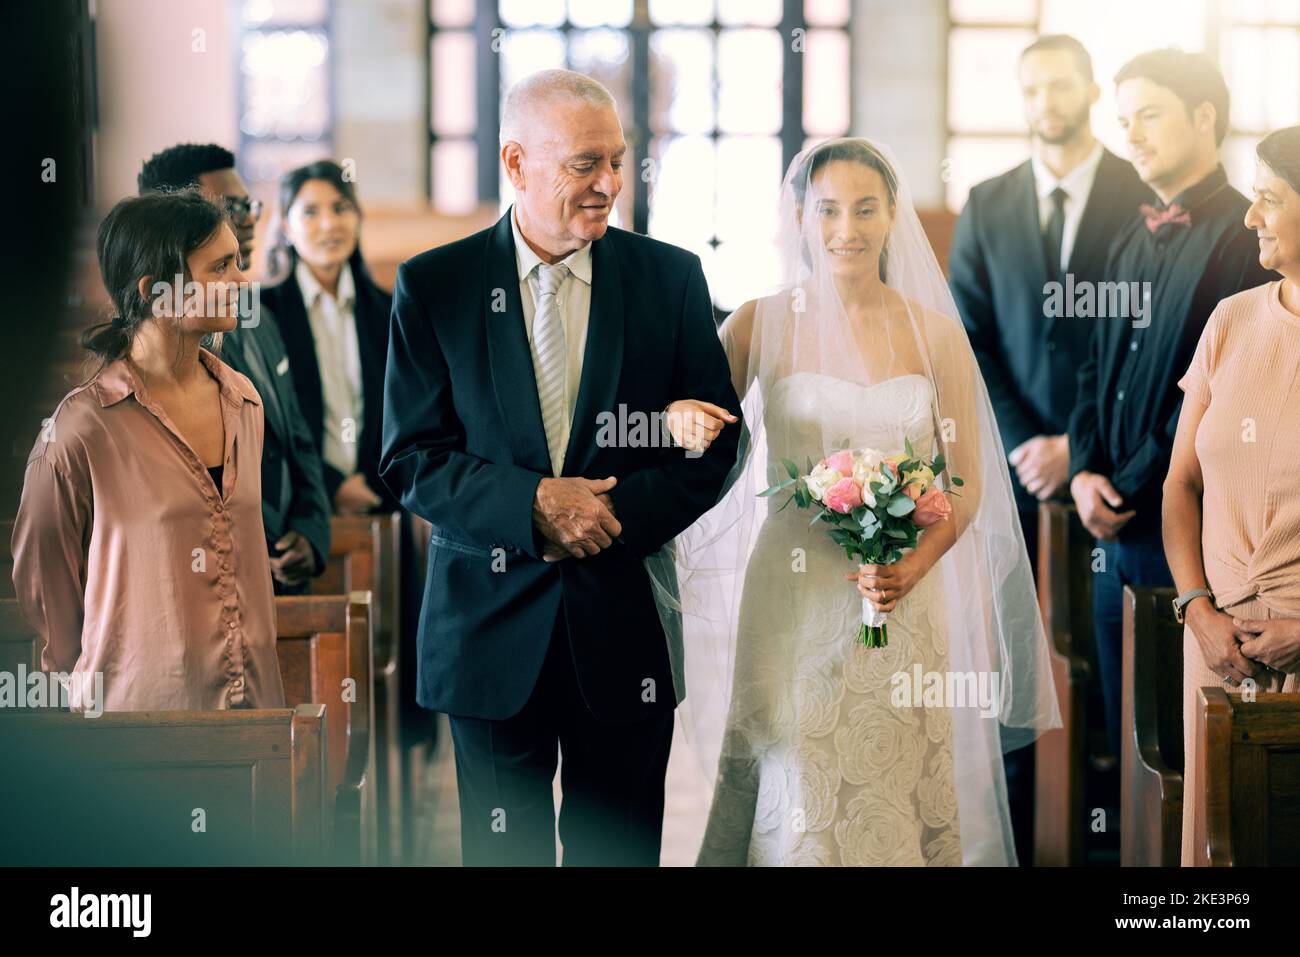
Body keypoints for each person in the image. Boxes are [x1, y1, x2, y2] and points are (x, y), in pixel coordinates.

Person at [663, 138, 1060, 866]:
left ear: (892, 215)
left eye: (866, 209)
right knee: (799, 774)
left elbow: (964, 479)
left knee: (890, 777)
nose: (847, 228)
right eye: (829, 210)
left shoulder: (935, 335)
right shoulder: (758, 322)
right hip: (792, 591)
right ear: (800, 218)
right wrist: (678, 415)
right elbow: (698, 430)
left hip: (903, 593)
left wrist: (911, 567)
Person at [380, 69, 741, 866]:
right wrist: (534, 503)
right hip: (485, 629)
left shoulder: (668, 279)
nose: (608, 183)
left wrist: (606, 518)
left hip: (623, 626)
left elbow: (717, 440)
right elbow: (411, 459)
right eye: (584, 164)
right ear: (516, 162)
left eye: (616, 161)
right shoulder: (434, 286)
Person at [947, 33, 1151, 862]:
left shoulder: (1143, 195)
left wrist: (1076, 443)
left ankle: (1103, 835)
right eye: (1032, 88)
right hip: (1010, 473)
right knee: (1011, 663)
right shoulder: (989, 202)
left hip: (1111, 467)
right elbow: (966, 336)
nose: (1047, 101)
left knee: (1105, 667)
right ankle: (1022, 828)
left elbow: (1145, 331)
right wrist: (1025, 438)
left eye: (1062, 85)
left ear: (1091, 89)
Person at [1068, 49, 1277, 758]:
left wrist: (1129, 484)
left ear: (1204, 116)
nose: (1131, 135)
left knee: (1188, 757)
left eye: (1149, 115)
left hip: (1189, 536)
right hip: (1113, 529)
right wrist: (1084, 467)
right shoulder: (1130, 235)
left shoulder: (1249, 241)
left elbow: (1222, 400)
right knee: (1131, 749)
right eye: (1123, 120)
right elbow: (1095, 363)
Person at [11, 189, 284, 711]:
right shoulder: (81, 428)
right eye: (220, 267)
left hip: (253, 716)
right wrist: (99, 671)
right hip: (137, 718)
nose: (240, 282)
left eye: (239, 263)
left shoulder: (244, 401)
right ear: (156, 291)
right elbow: (45, 583)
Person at [1163, 126, 1300, 866]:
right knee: (1219, 859)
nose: (1250, 217)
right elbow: (1179, 484)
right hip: (1216, 650)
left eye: (1269, 199)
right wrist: (1198, 609)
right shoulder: (1232, 321)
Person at [138, 143, 331, 595]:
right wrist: (249, 544)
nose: (248, 218)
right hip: (209, 581)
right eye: (232, 206)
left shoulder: (254, 310)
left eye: (251, 204)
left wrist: (310, 531)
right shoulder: (165, 348)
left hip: (279, 575)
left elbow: (298, 437)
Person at [262, 160, 396, 516]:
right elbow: (264, 423)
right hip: (295, 507)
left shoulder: (391, 309)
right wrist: (333, 486)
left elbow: (404, 412)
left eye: (341, 208)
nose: (329, 224)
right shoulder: (262, 314)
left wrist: (371, 484)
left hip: (381, 500)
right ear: (287, 227)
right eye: (310, 212)